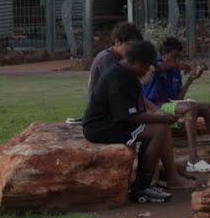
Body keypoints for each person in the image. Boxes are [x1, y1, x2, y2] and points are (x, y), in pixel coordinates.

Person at [82, 40, 191, 203]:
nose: (148, 71)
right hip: (101, 127)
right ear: (136, 62)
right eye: (146, 67)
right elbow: (129, 117)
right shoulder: (118, 77)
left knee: (159, 129)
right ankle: (141, 187)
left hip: (113, 122)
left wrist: (161, 117)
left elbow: (136, 111)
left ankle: (144, 183)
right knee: (159, 130)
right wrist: (162, 117)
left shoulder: (127, 75)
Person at [144, 37, 210, 173]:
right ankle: (193, 160)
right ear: (164, 54)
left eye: (179, 57)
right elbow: (159, 67)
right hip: (154, 107)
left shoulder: (175, 70)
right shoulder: (156, 63)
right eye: (174, 56)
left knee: (206, 107)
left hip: (169, 105)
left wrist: (190, 79)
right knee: (190, 108)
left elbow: (178, 98)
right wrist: (178, 64)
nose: (177, 60)